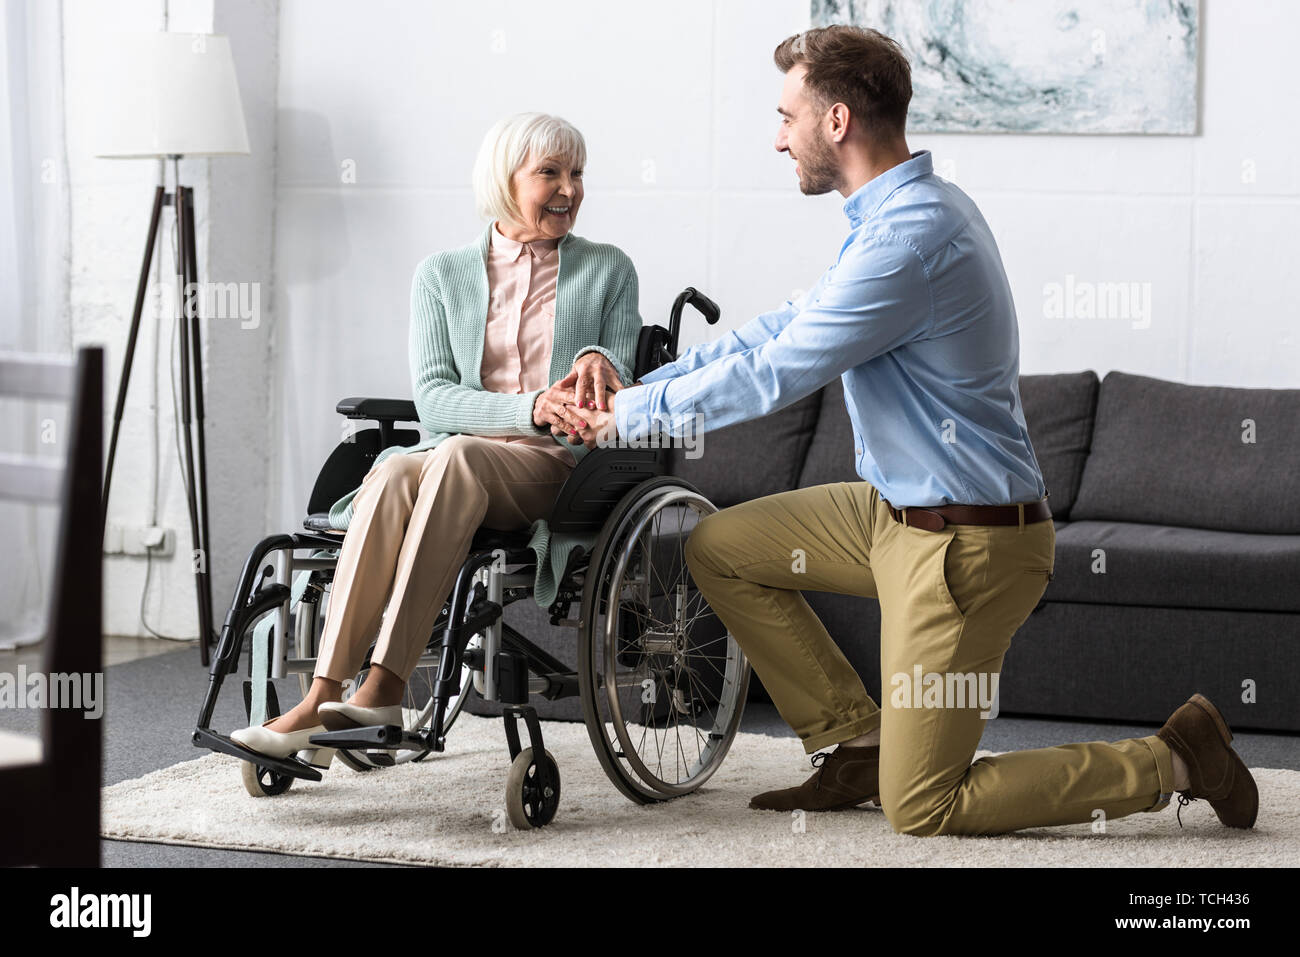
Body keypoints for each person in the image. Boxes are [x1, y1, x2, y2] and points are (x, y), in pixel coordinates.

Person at [575, 26, 1257, 835]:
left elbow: (779, 371)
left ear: (835, 122)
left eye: (786, 115)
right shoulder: (893, 214)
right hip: (892, 515)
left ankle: (1178, 755)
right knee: (719, 546)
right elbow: (778, 328)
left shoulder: (907, 240)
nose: (776, 136)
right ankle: (859, 740)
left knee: (925, 804)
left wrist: (624, 421)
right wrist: (636, 389)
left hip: (964, 548)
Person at [233, 112, 640, 763]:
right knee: (396, 470)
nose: (570, 188)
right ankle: (321, 694)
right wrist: (532, 404)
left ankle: (386, 682)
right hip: (457, 458)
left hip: (556, 468)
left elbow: (620, 367)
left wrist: (596, 359)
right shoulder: (441, 275)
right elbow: (435, 398)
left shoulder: (608, 269)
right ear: (507, 181)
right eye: (550, 173)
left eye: (577, 173)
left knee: (450, 455)